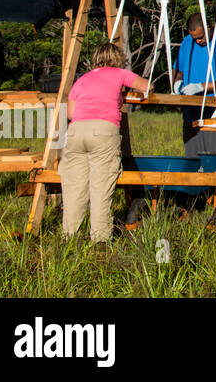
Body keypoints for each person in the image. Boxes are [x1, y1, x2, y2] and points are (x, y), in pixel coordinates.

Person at [62, 42, 150, 242]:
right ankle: (100, 240)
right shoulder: (119, 74)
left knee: (74, 189)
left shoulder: (82, 79)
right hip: (103, 131)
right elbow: (147, 86)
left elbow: (70, 113)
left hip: (76, 132)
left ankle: (69, 238)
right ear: (117, 59)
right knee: (101, 188)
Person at [173, 13, 216, 158]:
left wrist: (201, 87)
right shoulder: (187, 43)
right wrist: (177, 83)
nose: (198, 41)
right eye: (194, 38)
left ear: (208, 27)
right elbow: (178, 70)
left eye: (201, 37)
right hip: (192, 114)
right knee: (193, 164)